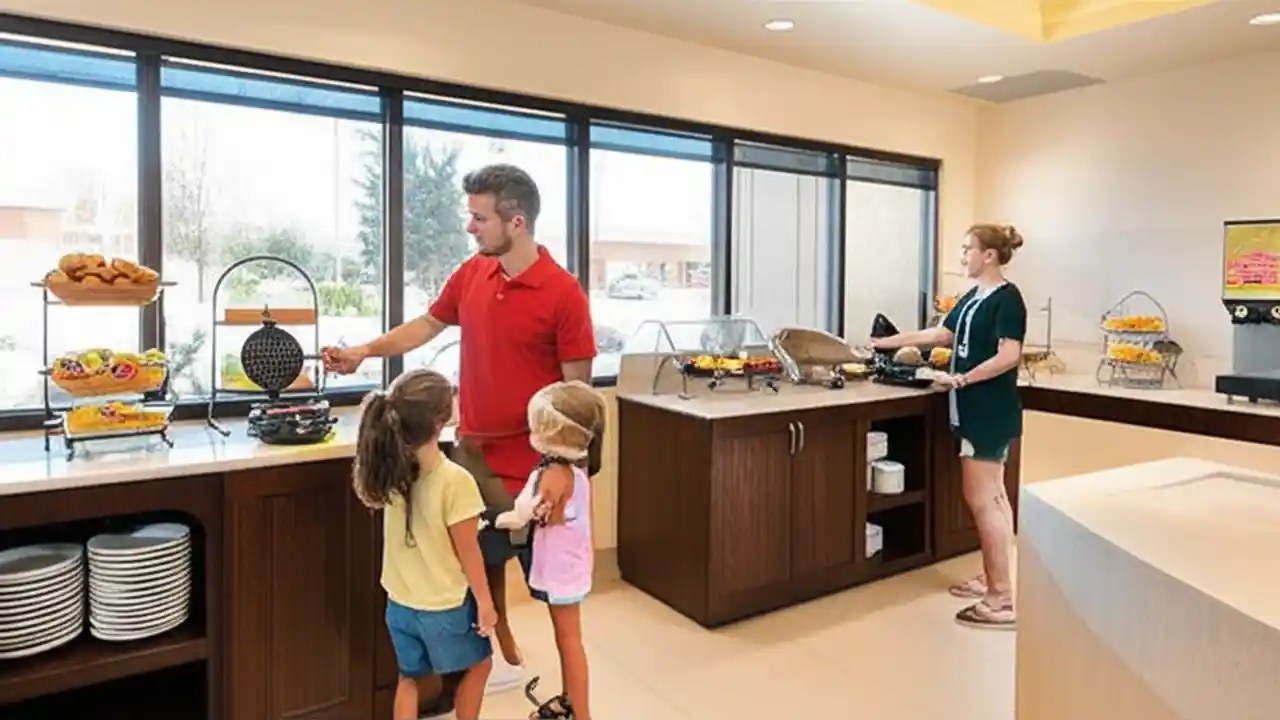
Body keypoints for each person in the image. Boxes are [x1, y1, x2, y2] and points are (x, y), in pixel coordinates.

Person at [323, 163, 596, 679]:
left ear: (516, 223)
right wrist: (365, 350)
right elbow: (428, 324)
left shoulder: (563, 294)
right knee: (481, 557)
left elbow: (574, 398)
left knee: (559, 598)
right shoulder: (473, 273)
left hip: (535, 463)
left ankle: (573, 697)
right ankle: (502, 635)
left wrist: (565, 466)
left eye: (479, 217)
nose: (470, 227)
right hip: (473, 451)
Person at [871, 223, 1027, 630]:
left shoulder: (1008, 299)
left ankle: (1002, 600)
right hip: (973, 407)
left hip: (987, 409)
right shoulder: (974, 297)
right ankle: (994, 578)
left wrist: (963, 378)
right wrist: (881, 344)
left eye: (966, 249)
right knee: (995, 498)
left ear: (989, 255)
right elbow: (941, 333)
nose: (961, 257)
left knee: (983, 499)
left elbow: (1010, 354)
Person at [351, 369, 497, 719]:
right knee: (479, 666)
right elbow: (469, 553)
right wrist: (486, 604)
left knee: (410, 678)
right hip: (443, 607)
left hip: (400, 604)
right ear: (438, 423)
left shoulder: (389, 471)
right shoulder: (455, 481)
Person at [491, 380, 605, 720]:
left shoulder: (554, 475)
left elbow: (534, 515)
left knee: (569, 641)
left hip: (562, 572)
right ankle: (571, 699)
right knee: (568, 637)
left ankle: (580, 712)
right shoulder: (577, 468)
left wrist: (502, 519)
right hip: (574, 564)